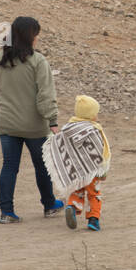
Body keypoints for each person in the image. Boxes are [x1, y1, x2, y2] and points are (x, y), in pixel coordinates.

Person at [0, 16, 64, 223]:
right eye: (36, 34)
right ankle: (49, 205)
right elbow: (45, 95)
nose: (37, 38)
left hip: (6, 124)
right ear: (30, 36)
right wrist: (53, 121)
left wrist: (4, 108)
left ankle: (6, 212)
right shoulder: (38, 61)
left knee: (9, 166)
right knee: (42, 166)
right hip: (34, 126)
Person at [42, 94, 110, 233]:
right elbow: (101, 151)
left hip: (76, 171)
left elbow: (60, 142)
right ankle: (93, 219)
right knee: (94, 194)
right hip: (92, 171)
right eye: (95, 113)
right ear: (91, 115)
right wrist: (103, 171)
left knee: (77, 190)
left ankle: (72, 207)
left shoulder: (69, 128)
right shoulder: (95, 130)